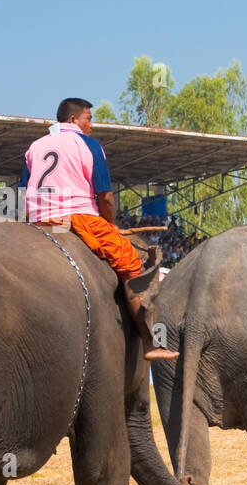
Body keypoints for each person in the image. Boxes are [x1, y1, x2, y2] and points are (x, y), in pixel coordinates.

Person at [20, 97, 177, 360]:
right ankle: (153, 342)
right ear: (73, 120)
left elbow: (23, 192)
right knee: (133, 268)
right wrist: (109, 224)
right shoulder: (89, 144)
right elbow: (104, 196)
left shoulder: (34, 147)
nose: (92, 124)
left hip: (38, 220)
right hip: (78, 217)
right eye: (89, 118)